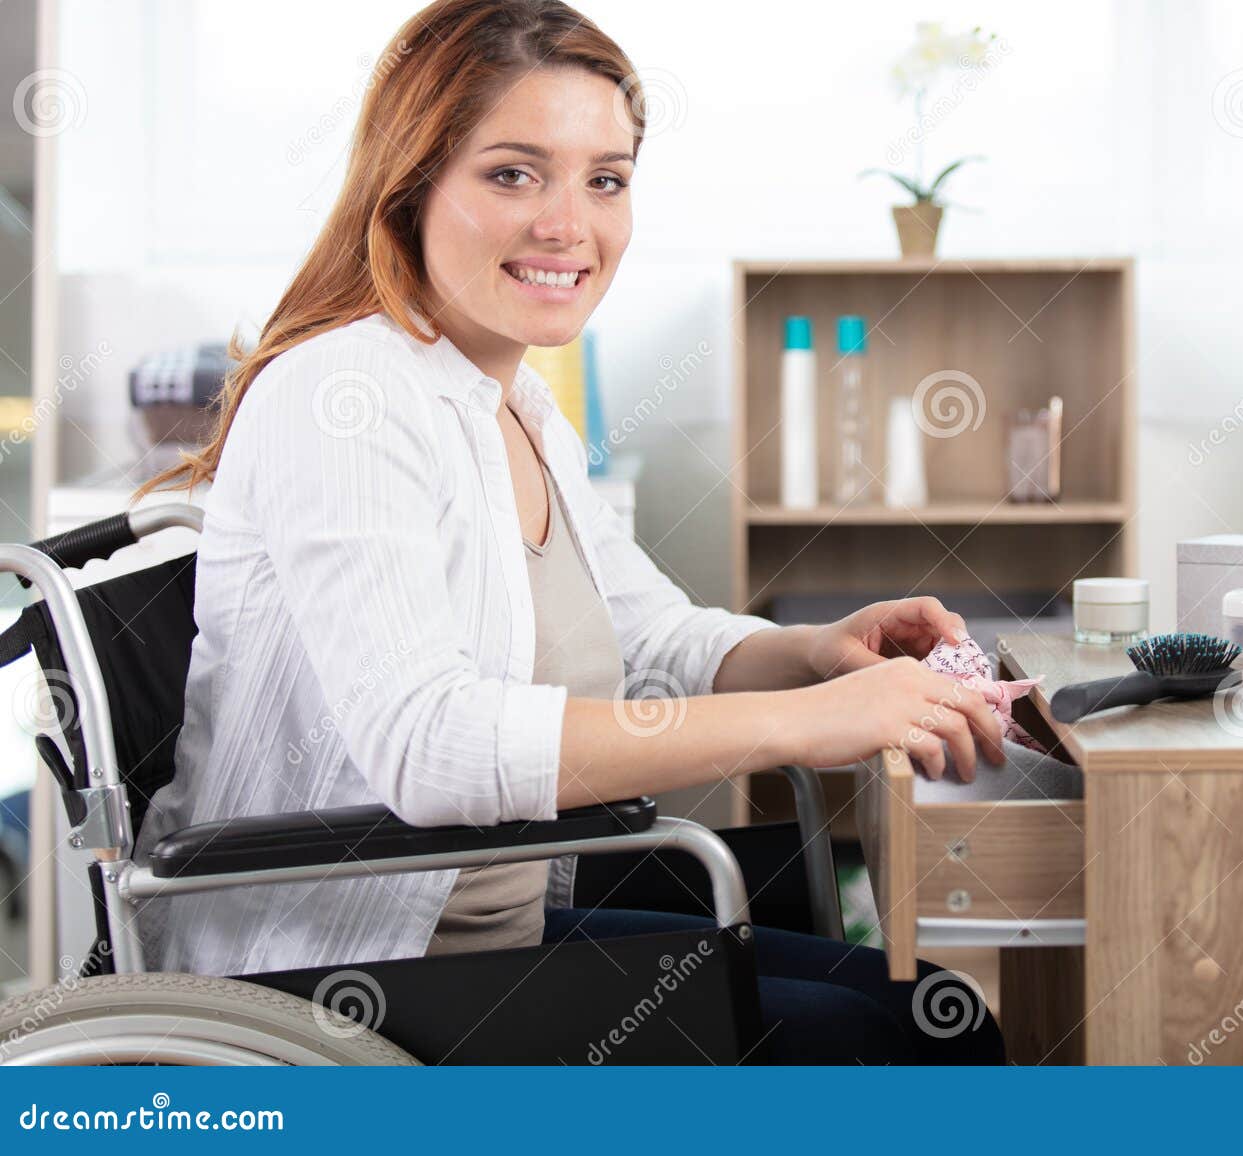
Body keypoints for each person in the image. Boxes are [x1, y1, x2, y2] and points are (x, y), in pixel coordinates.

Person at [130, 0, 1006, 1064]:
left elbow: (649, 636)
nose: (568, 224)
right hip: (333, 978)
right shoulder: (344, 394)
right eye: (513, 173)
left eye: (606, 178)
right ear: (410, 186)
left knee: (920, 1008)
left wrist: (813, 654)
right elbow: (429, 747)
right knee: (895, 1046)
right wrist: (801, 724)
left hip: (484, 937)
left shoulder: (514, 403)